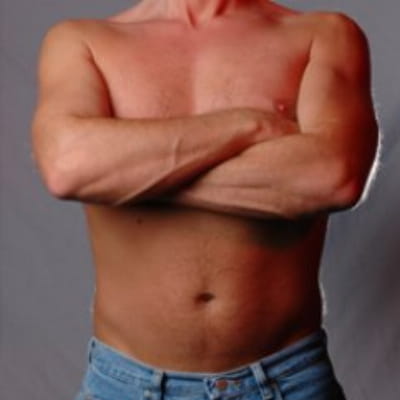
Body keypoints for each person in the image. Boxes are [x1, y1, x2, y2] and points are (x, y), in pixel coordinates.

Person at [31, 0, 379, 399]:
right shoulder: (81, 42)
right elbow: (68, 167)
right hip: (125, 386)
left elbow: (332, 178)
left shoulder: (324, 35)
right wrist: (247, 125)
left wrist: (130, 174)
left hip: (286, 381)